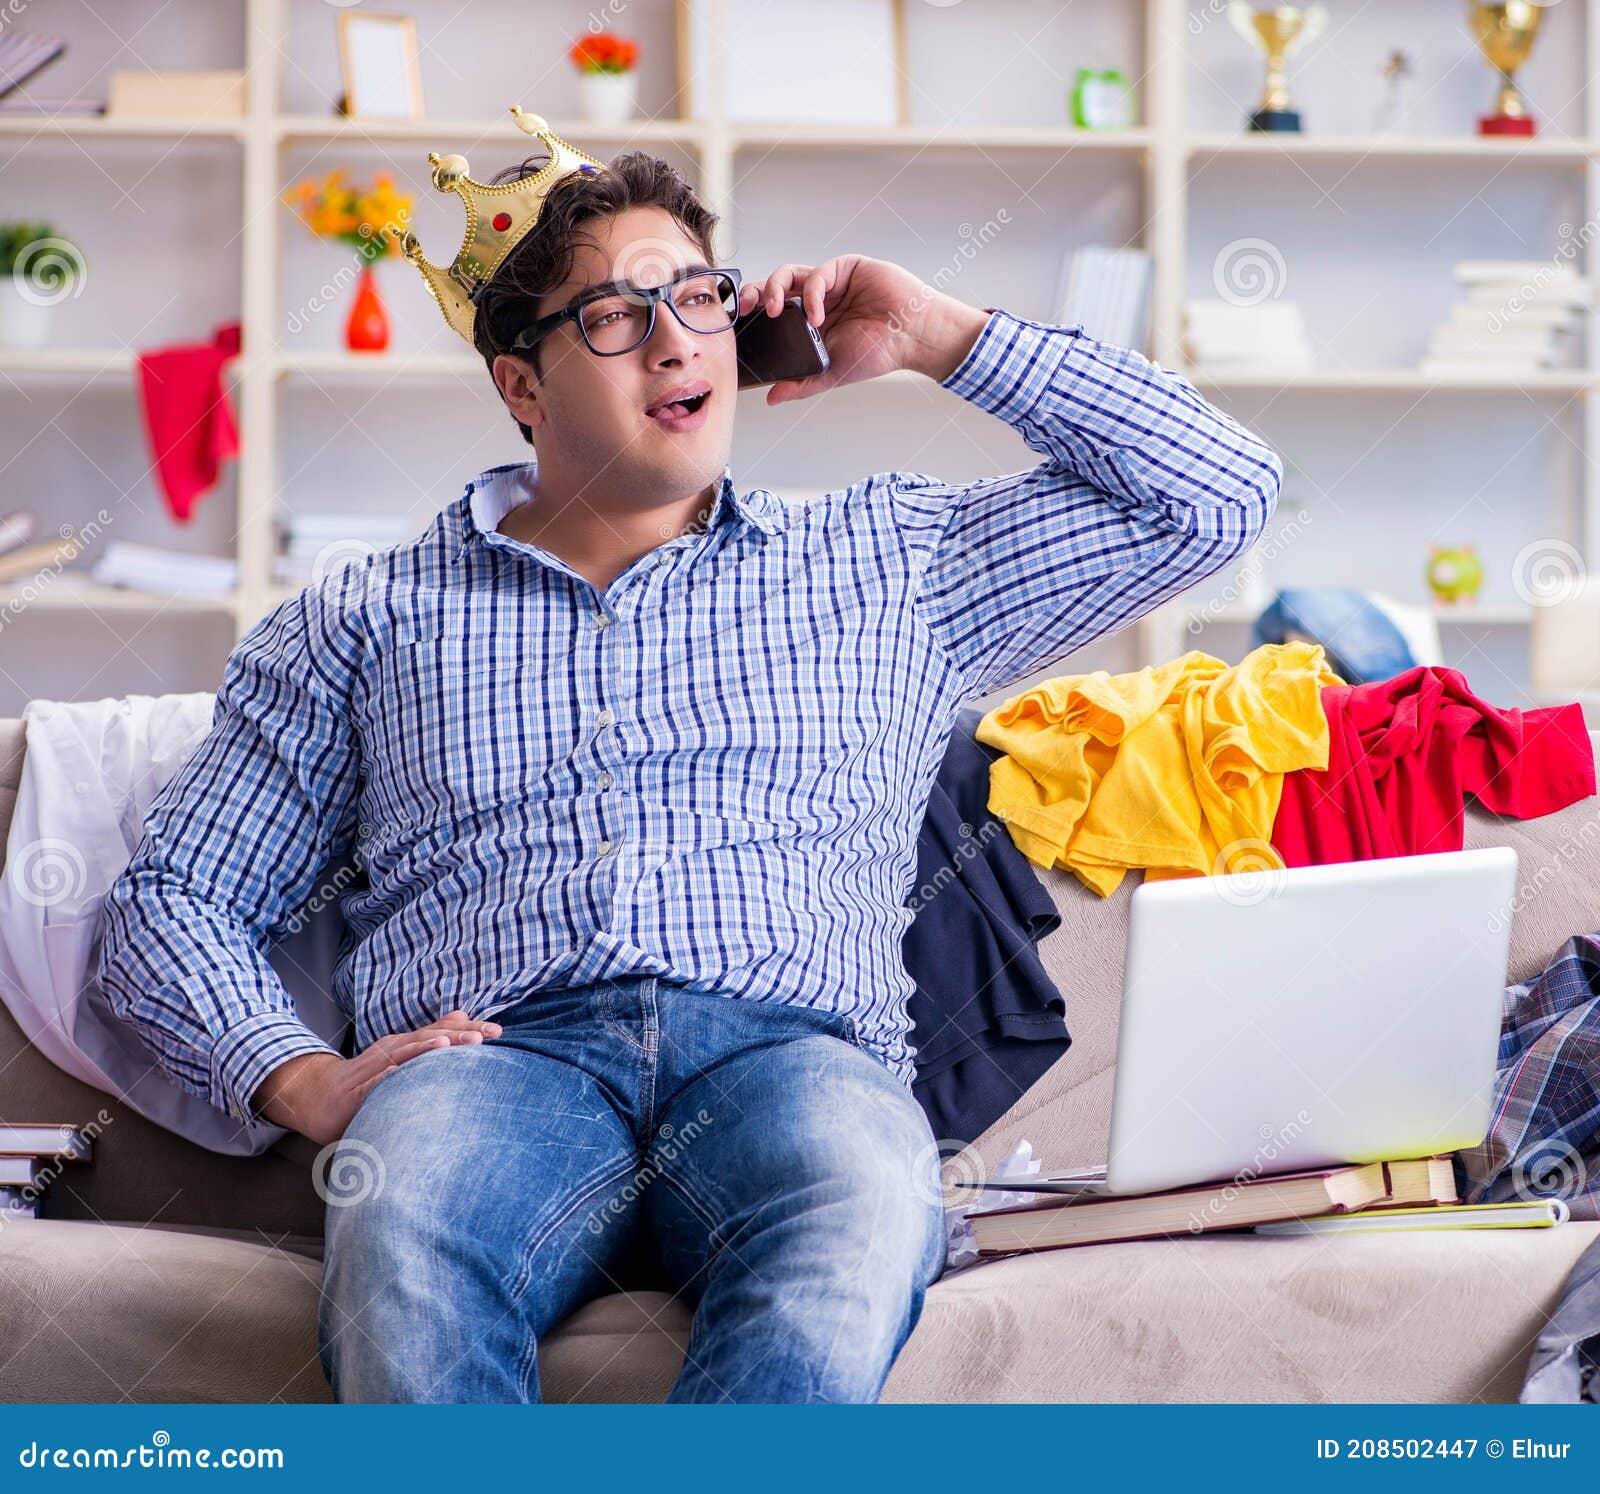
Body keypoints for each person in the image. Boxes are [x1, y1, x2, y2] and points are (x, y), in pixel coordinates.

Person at [98, 114, 1282, 1404]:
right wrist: (298, 1077)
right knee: (407, 1249)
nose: (674, 339)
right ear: (522, 384)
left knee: (853, 1229)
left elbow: (1216, 494)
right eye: (614, 314)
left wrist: (939, 334)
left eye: (698, 296)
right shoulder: (365, 616)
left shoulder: (889, 563)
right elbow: (178, 903)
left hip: (798, 1060)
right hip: (497, 1062)